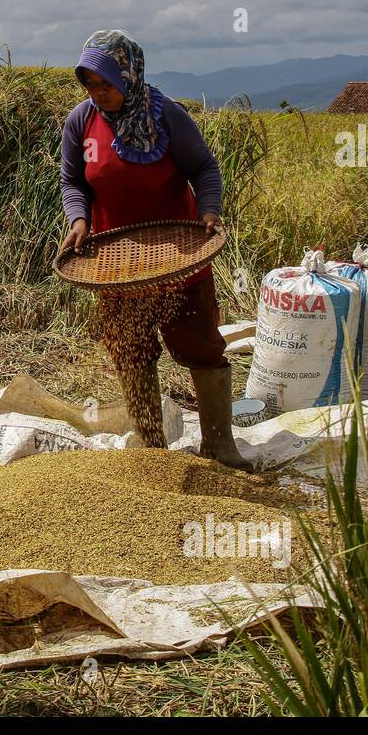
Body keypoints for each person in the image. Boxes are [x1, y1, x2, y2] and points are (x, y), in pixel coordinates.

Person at [59, 29, 251, 471]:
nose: (97, 93)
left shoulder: (167, 117)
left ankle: (220, 446)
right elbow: (73, 181)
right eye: (89, 84)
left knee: (201, 343)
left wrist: (209, 211)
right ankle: (152, 450)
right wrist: (79, 219)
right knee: (131, 348)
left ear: (129, 75)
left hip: (176, 254)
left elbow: (204, 167)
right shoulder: (81, 122)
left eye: (105, 83)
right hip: (117, 261)